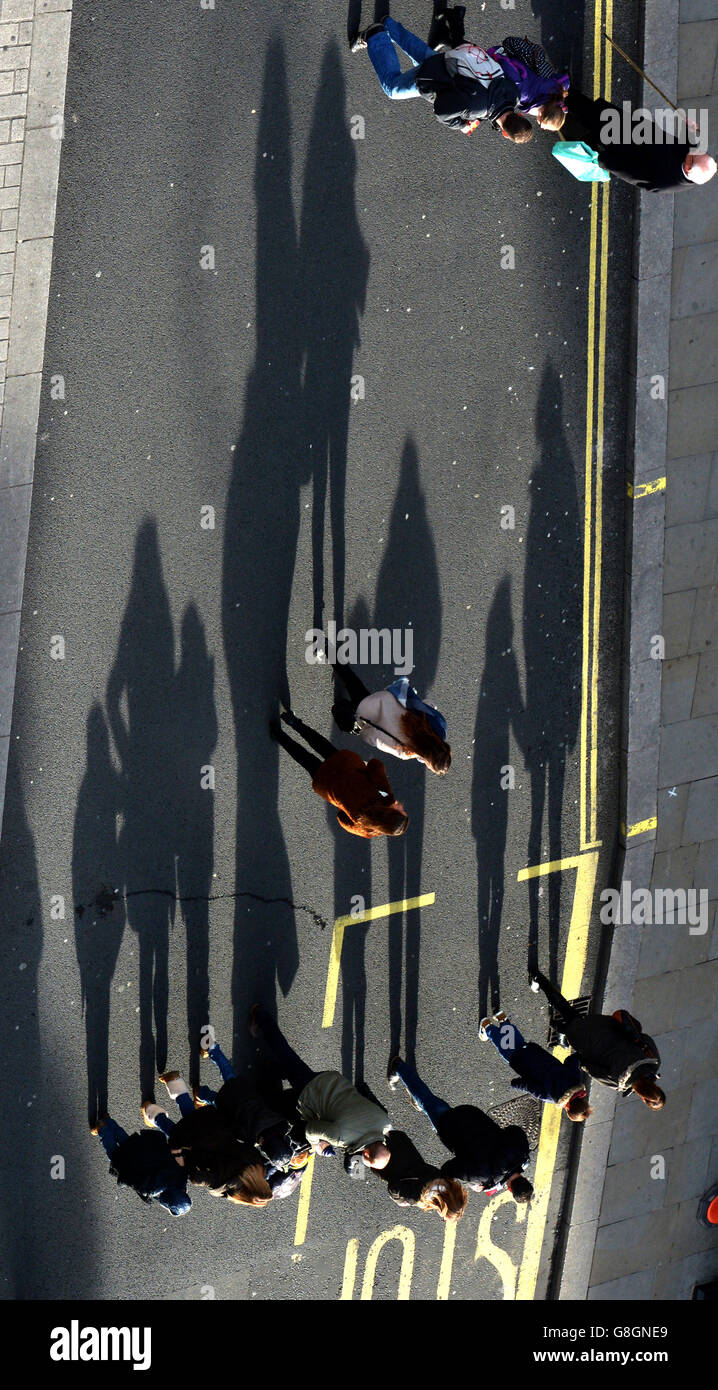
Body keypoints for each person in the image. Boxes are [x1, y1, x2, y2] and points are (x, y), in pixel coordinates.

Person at [250, 1004, 392, 1169]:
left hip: (335, 1082)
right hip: (313, 1090)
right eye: (367, 1163)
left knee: (290, 1065)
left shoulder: (385, 1122)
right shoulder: (341, 1137)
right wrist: (318, 1145)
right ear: (366, 1154)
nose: (364, 1164)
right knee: (285, 1054)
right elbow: (311, 1130)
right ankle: (261, 1016)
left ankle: (273, 1067)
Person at [351, 15, 532, 142]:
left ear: (520, 114)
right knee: (393, 88)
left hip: (454, 59)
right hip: (435, 76)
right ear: (505, 133)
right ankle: (376, 36)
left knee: (424, 55)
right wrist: (460, 125)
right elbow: (441, 109)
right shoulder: (477, 108)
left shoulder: (514, 94)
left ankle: (389, 25)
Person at [388, 1055, 533, 1202]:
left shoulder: (521, 1152)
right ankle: (399, 1067)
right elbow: (449, 1169)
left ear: (526, 1179)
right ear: (509, 1189)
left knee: (432, 1104)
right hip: (453, 1128)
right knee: (427, 1102)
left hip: (473, 1115)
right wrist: (475, 1183)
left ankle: (417, 1094)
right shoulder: (484, 1176)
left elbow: (514, 1130)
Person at [194, 1037, 311, 1199]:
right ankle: (202, 1090)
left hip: (249, 1095)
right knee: (218, 1096)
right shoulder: (251, 1137)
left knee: (228, 1074)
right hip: (233, 1105)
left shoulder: (282, 1124)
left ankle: (212, 1050)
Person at [530, 971, 665, 1107]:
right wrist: (581, 1062)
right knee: (565, 1010)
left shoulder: (652, 1061)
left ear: (658, 1088)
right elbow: (593, 1070)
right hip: (585, 1040)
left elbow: (644, 1037)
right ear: (643, 1098)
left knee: (571, 1015)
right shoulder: (619, 1082)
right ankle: (538, 979)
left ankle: (561, 1027)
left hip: (602, 1025)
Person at [270, 709, 409, 839]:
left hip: (343, 765)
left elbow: (375, 766)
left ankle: (293, 722)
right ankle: (278, 734)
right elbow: (342, 819)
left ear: (391, 813)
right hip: (327, 785)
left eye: (400, 810)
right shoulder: (366, 829)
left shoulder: (384, 794)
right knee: (304, 758)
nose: (400, 806)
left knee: (319, 743)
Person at [151, 1071, 274, 1205]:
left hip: (218, 1128)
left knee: (192, 1115)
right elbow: (196, 1179)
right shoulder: (225, 1183)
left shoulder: (258, 1165)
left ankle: (174, 1082)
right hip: (197, 1146)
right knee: (173, 1130)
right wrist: (186, 1163)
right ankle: (153, 1112)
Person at [565, 88, 716, 190]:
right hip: (633, 129)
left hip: (618, 147)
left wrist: (603, 160)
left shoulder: (665, 180)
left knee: (580, 130)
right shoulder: (694, 160)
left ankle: (555, 108)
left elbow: (630, 173)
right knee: (592, 111)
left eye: (695, 154)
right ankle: (566, 95)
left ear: (688, 168)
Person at [332, 664, 451, 773]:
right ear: (429, 761)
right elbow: (375, 737)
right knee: (344, 716)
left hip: (388, 698)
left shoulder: (439, 726)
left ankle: (330, 652)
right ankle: (342, 701)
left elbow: (426, 705)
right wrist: (362, 732)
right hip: (370, 711)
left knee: (351, 681)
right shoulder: (406, 751)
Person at [480, 1009, 591, 1121]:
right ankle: (487, 1027)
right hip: (521, 1062)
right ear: (568, 1109)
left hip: (535, 1052)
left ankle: (503, 1020)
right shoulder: (551, 1096)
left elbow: (571, 1061)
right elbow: (530, 1086)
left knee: (518, 1043)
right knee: (504, 1045)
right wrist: (515, 1083)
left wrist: (579, 1056)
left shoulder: (575, 1079)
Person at [91, 1111, 191, 1216]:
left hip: (143, 1148)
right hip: (128, 1161)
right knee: (112, 1150)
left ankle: (108, 1121)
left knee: (124, 1138)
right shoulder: (151, 1189)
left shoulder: (181, 1176)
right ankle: (102, 1128)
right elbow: (132, 1180)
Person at [373, 1128, 468, 1222]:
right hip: (385, 1162)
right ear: (443, 1207)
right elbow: (393, 1187)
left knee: (373, 1121)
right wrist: (401, 1201)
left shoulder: (445, 1178)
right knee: (359, 1158)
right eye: (443, 1218)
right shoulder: (419, 1197)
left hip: (400, 1143)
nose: (441, 1218)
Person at [487, 35, 570, 130]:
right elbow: (508, 71)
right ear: (542, 113)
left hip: (518, 63)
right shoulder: (524, 94)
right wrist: (495, 57)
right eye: (543, 125)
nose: (543, 128)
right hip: (494, 60)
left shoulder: (553, 92)